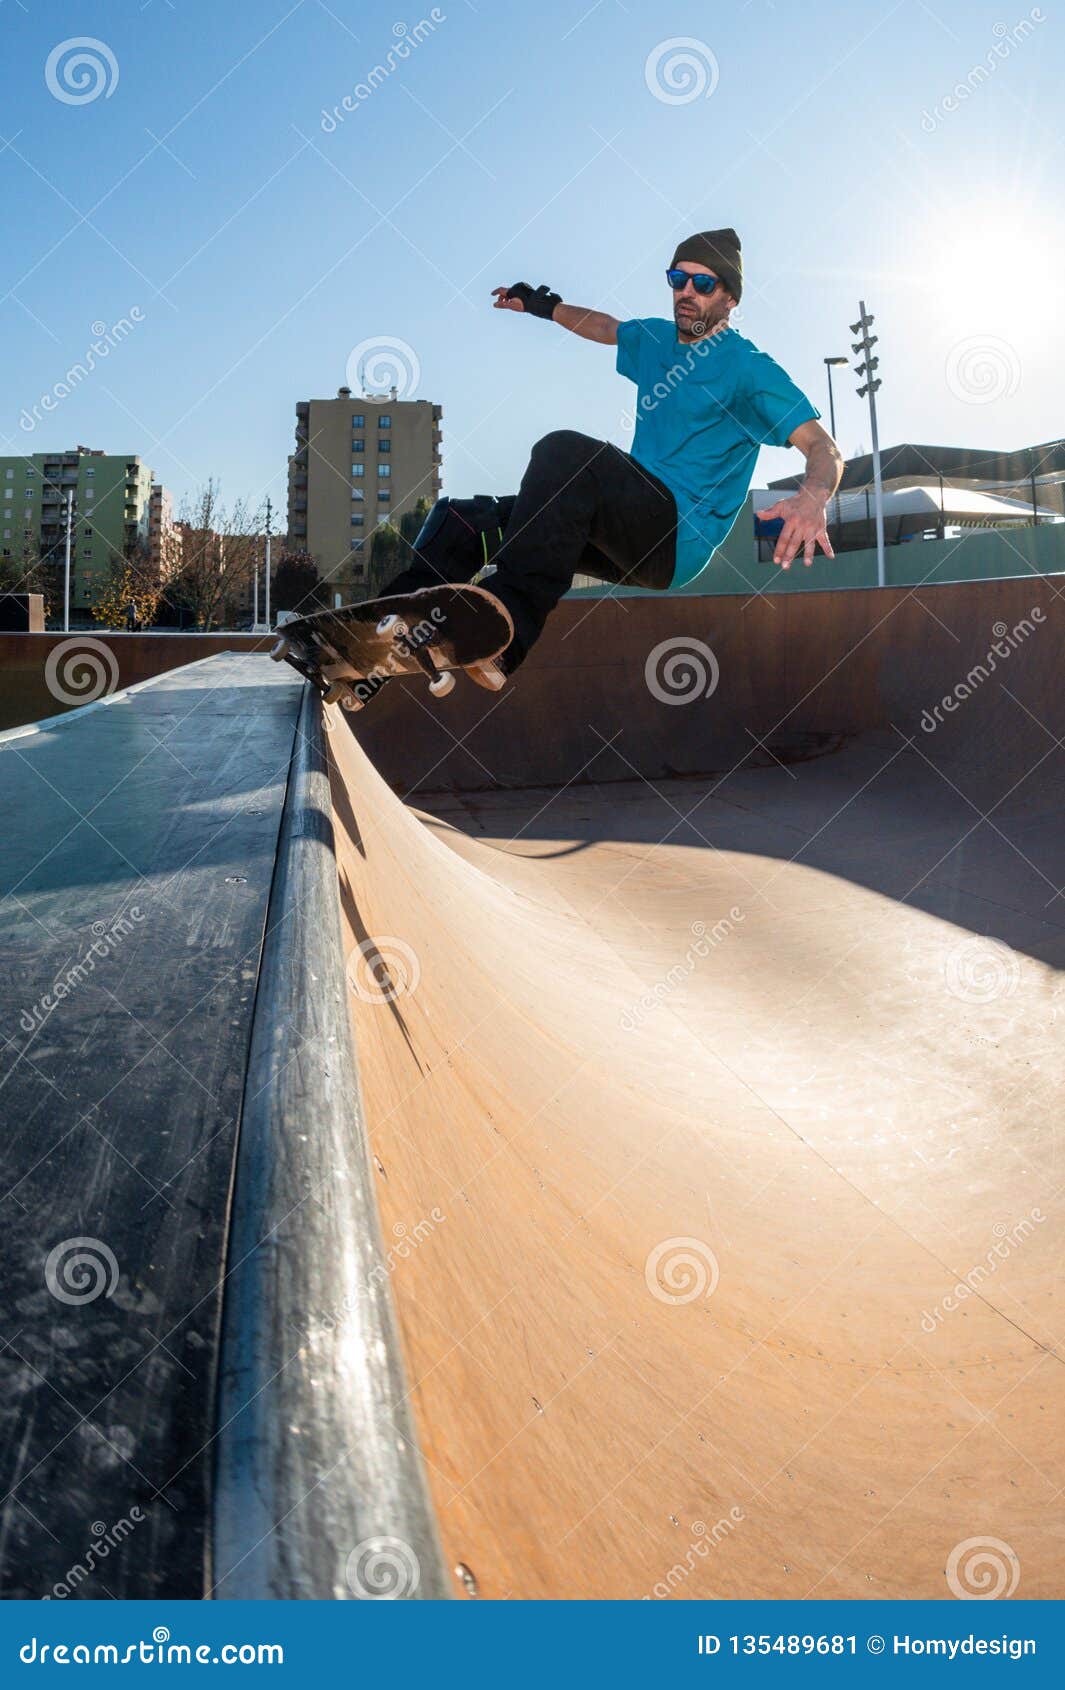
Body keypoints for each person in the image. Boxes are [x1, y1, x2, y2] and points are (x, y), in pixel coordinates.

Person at [382, 227, 843, 674]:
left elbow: (822, 447)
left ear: (730, 299)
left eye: (703, 283)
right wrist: (545, 306)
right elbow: (604, 327)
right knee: (466, 521)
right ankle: (387, 631)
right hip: (623, 523)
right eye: (677, 279)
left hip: (676, 538)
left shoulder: (750, 370)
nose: (687, 292)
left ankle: (508, 632)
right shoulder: (656, 338)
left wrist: (814, 495)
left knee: (563, 455)